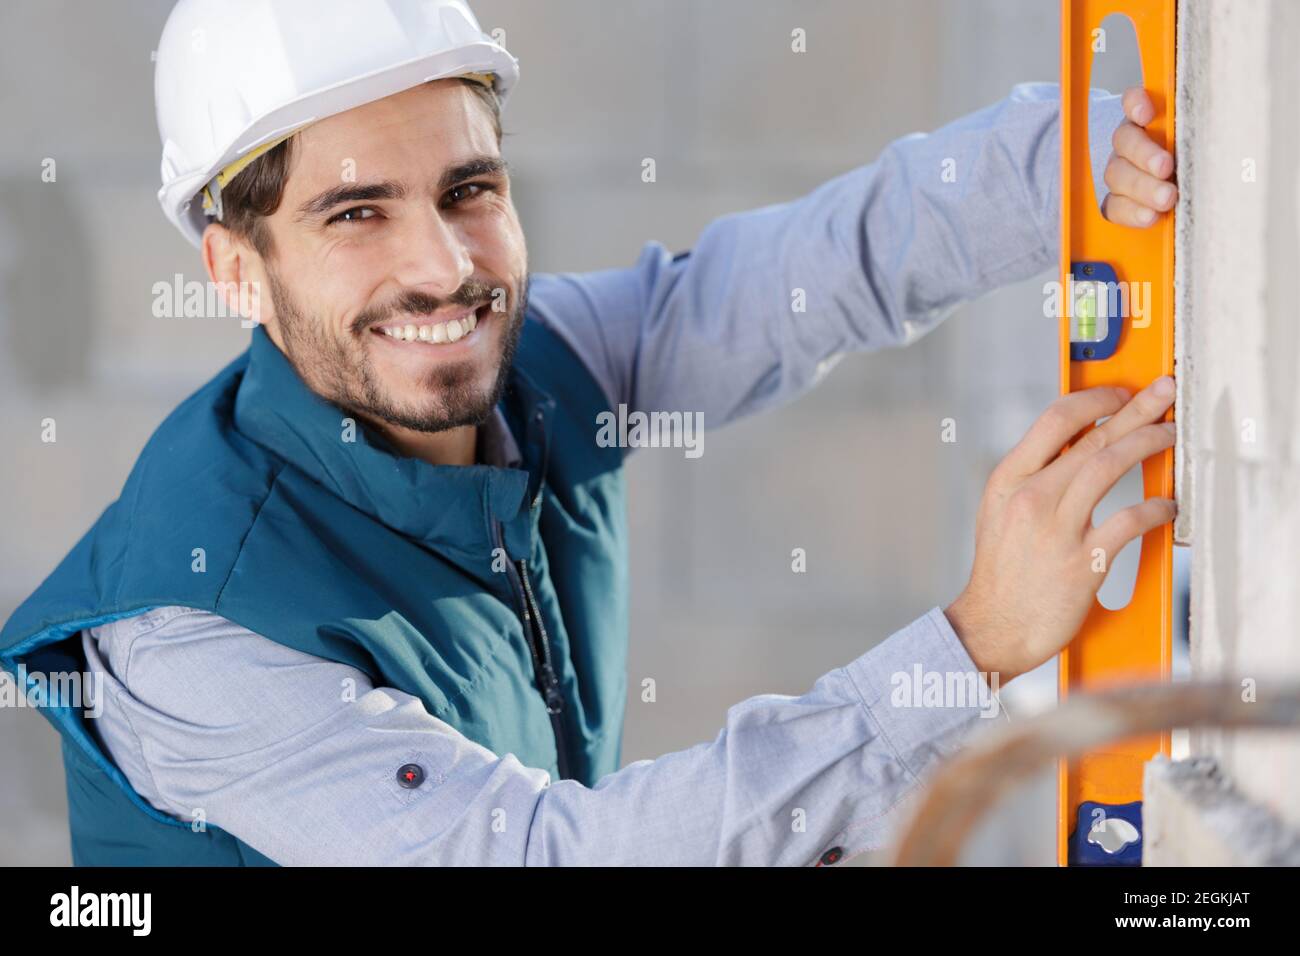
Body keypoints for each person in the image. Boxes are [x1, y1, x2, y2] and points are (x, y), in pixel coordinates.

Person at [0, 0, 1178, 865]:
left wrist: (1075, 161)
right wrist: (969, 646)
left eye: (468, 190)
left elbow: (808, 272)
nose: (444, 266)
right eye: (356, 212)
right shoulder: (195, 637)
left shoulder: (541, 371)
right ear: (235, 270)